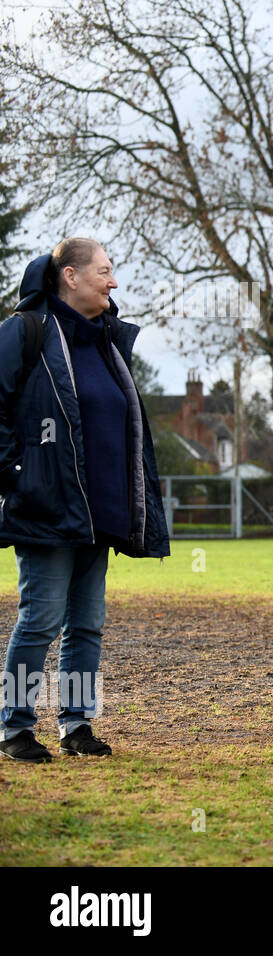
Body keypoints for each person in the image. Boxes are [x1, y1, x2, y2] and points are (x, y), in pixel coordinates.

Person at [0, 240, 170, 763]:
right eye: (105, 271)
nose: (113, 282)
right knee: (40, 619)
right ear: (70, 276)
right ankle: (14, 727)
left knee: (86, 624)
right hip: (45, 507)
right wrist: (17, 475)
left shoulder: (107, 342)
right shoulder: (25, 332)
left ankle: (76, 725)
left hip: (100, 512)